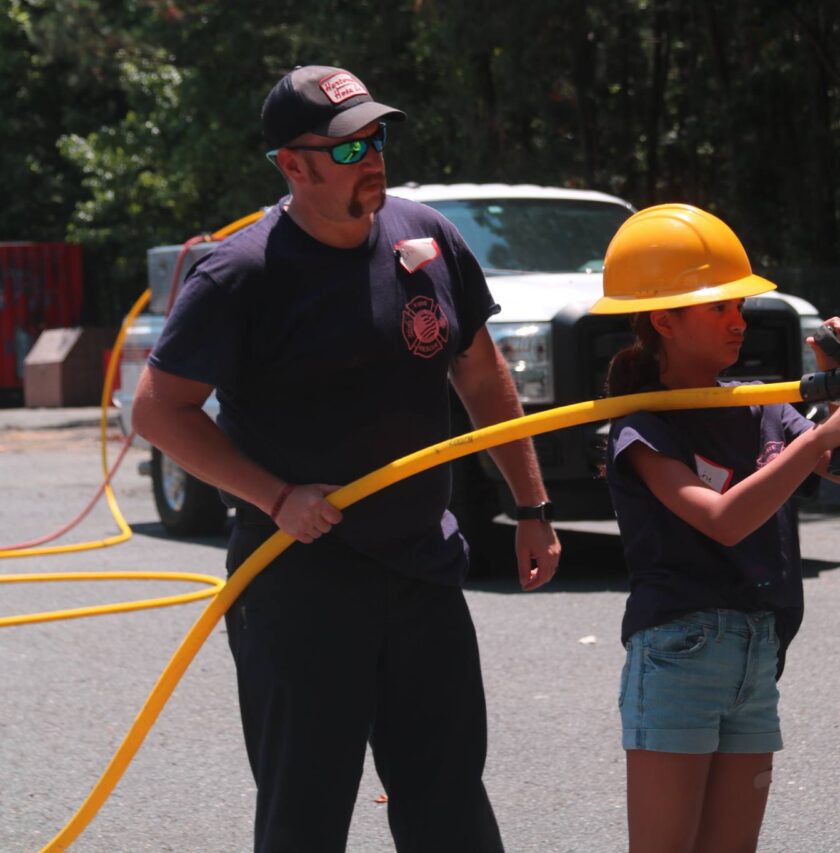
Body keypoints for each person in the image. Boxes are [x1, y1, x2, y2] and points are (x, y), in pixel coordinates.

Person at [132, 65, 560, 852]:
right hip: (300, 581)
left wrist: (530, 505)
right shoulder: (242, 272)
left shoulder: (428, 239)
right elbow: (160, 409)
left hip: (423, 570)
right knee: (305, 815)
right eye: (343, 146)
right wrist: (275, 496)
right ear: (290, 165)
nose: (369, 156)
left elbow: (479, 370)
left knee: (449, 804)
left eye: (375, 136)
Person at [590, 204, 840, 853]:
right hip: (677, 655)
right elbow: (722, 520)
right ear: (664, 319)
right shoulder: (642, 428)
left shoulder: (761, 403)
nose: (737, 318)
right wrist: (819, 440)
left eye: (738, 304)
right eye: (718, 306)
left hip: (757, 649)